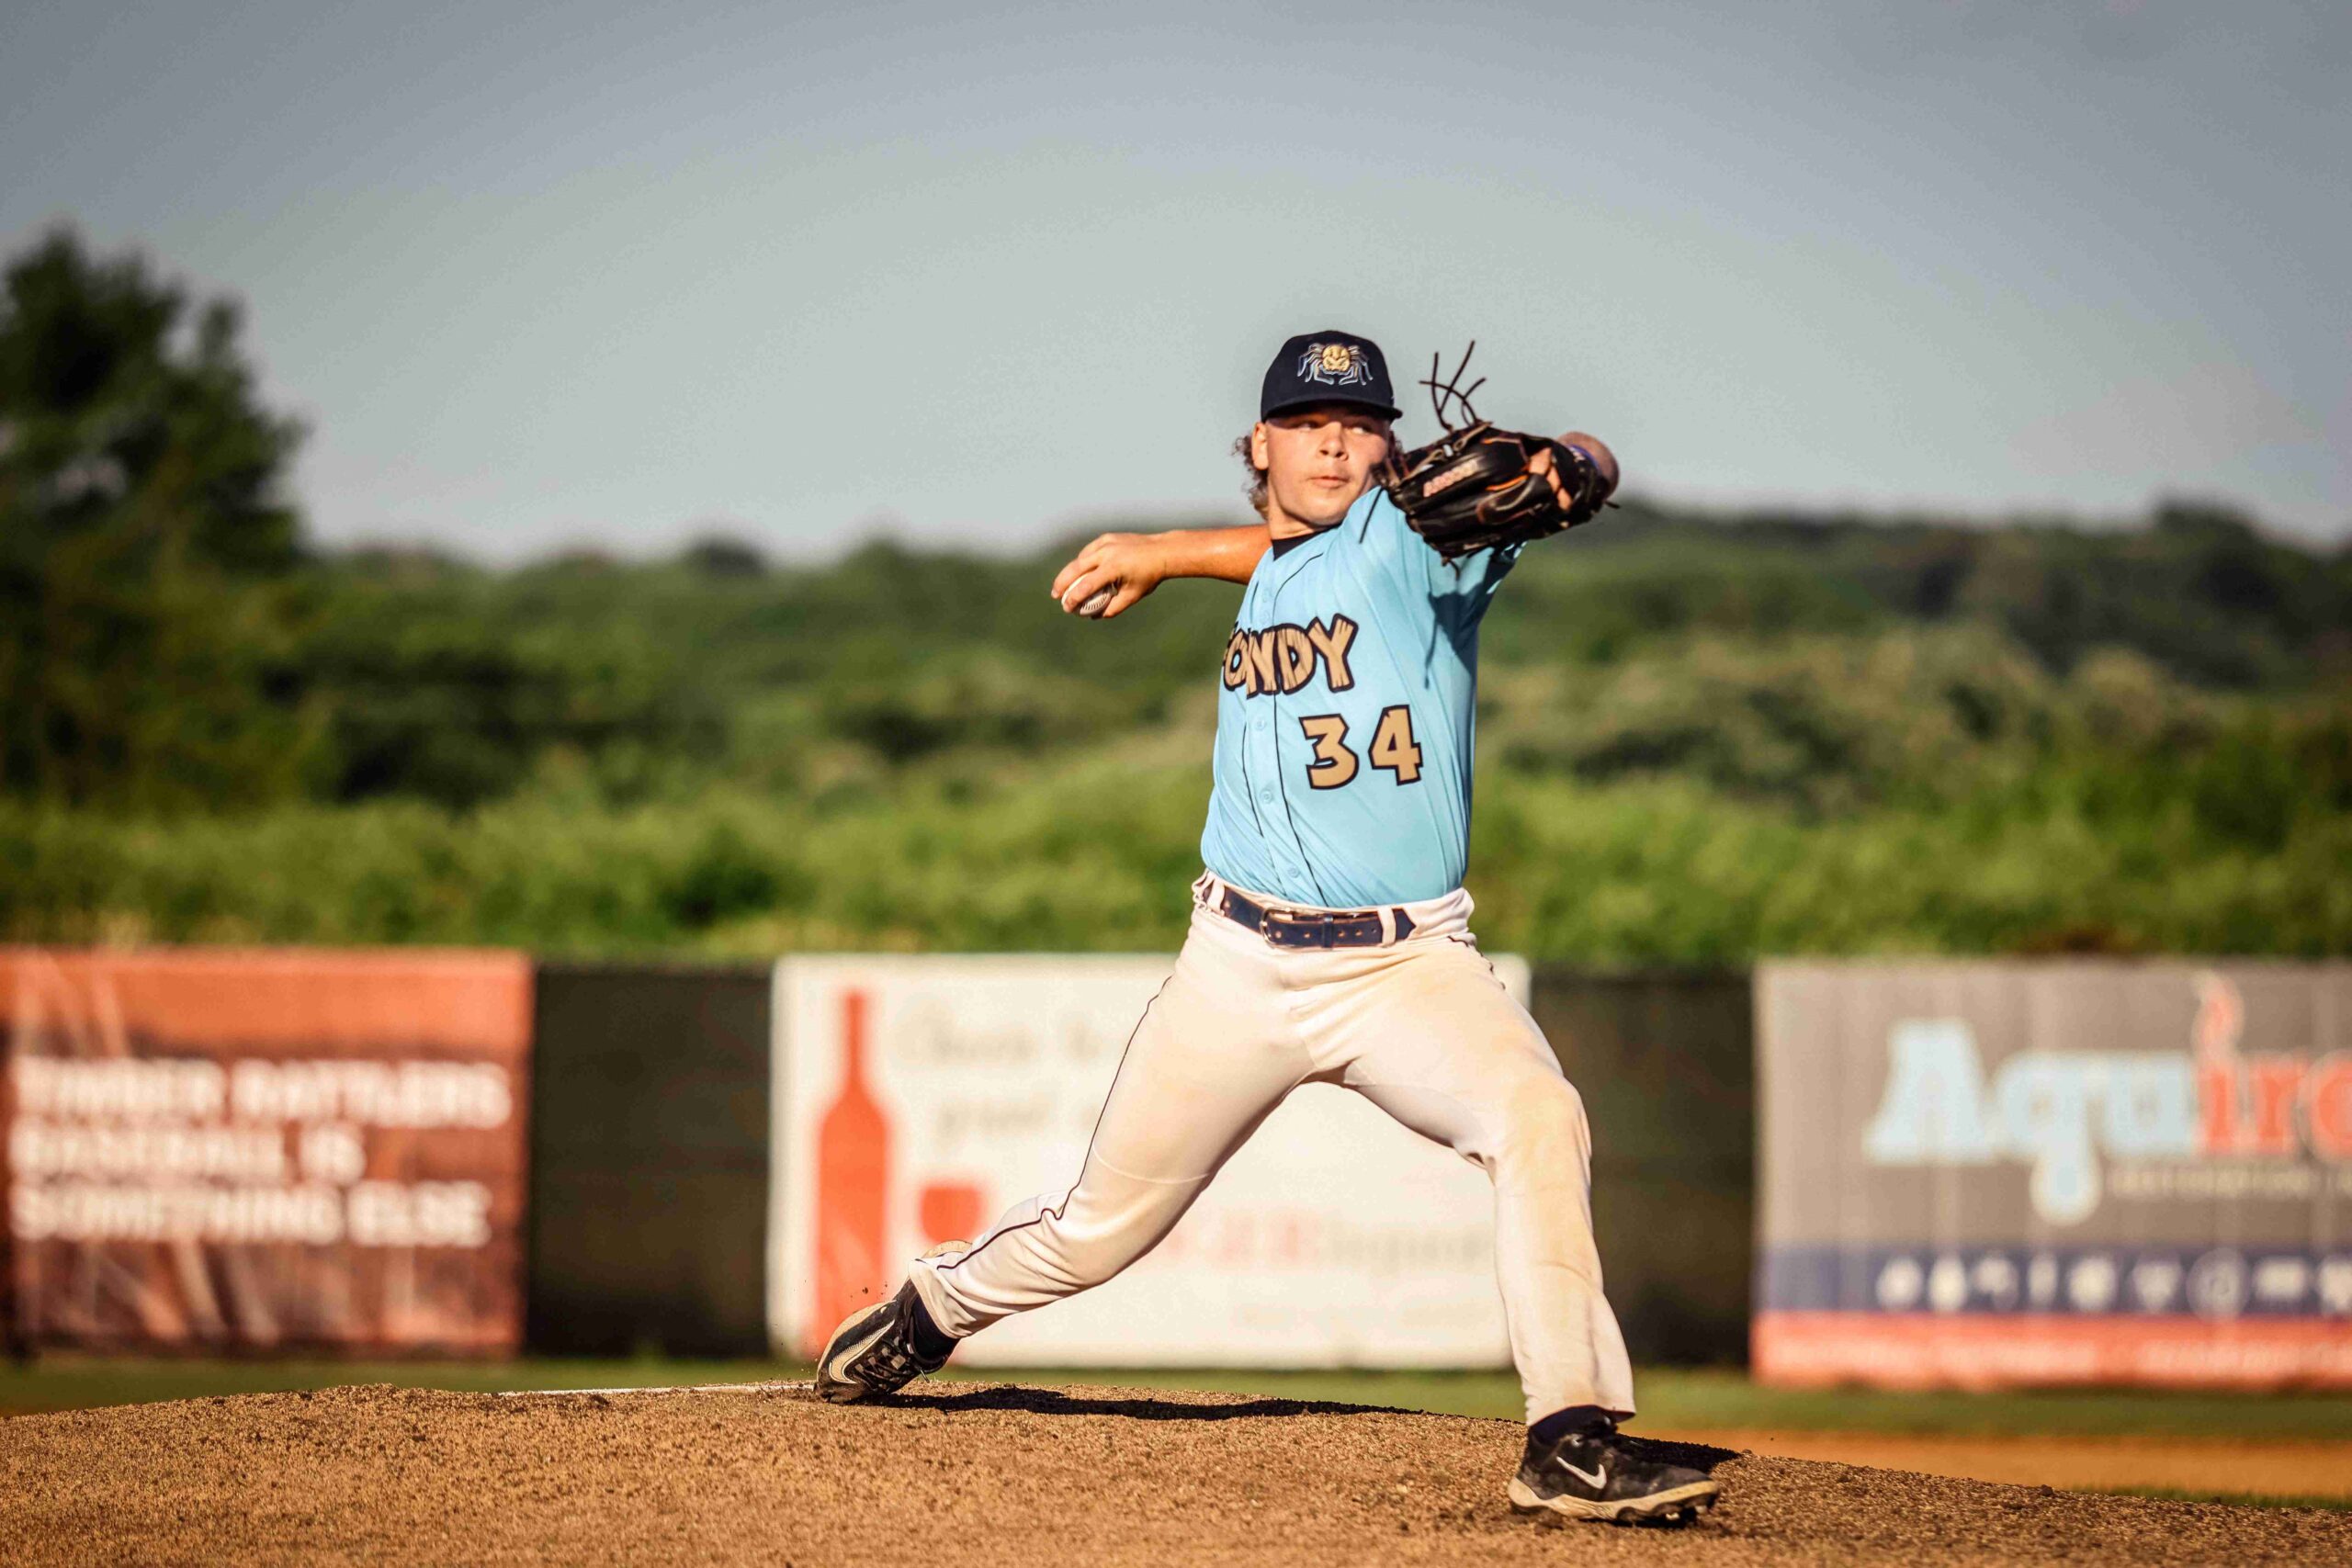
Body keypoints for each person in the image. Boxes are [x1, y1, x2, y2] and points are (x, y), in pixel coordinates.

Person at [815, 330, 1719, 1527]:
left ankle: (1569, 1435)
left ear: (1393, 443)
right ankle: (933, 1309)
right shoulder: (1282, 561)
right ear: (1259, 443)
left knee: (1538, 1117)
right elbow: (1280, 550)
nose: (1336, 440)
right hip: (1235, 967)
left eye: (1359, 422)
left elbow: (1576, 469)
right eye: (1306, 421)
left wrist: (1581, 463)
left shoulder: (1422, 540)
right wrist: (1166, 550)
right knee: (1095, 1236)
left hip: (1406, 966)